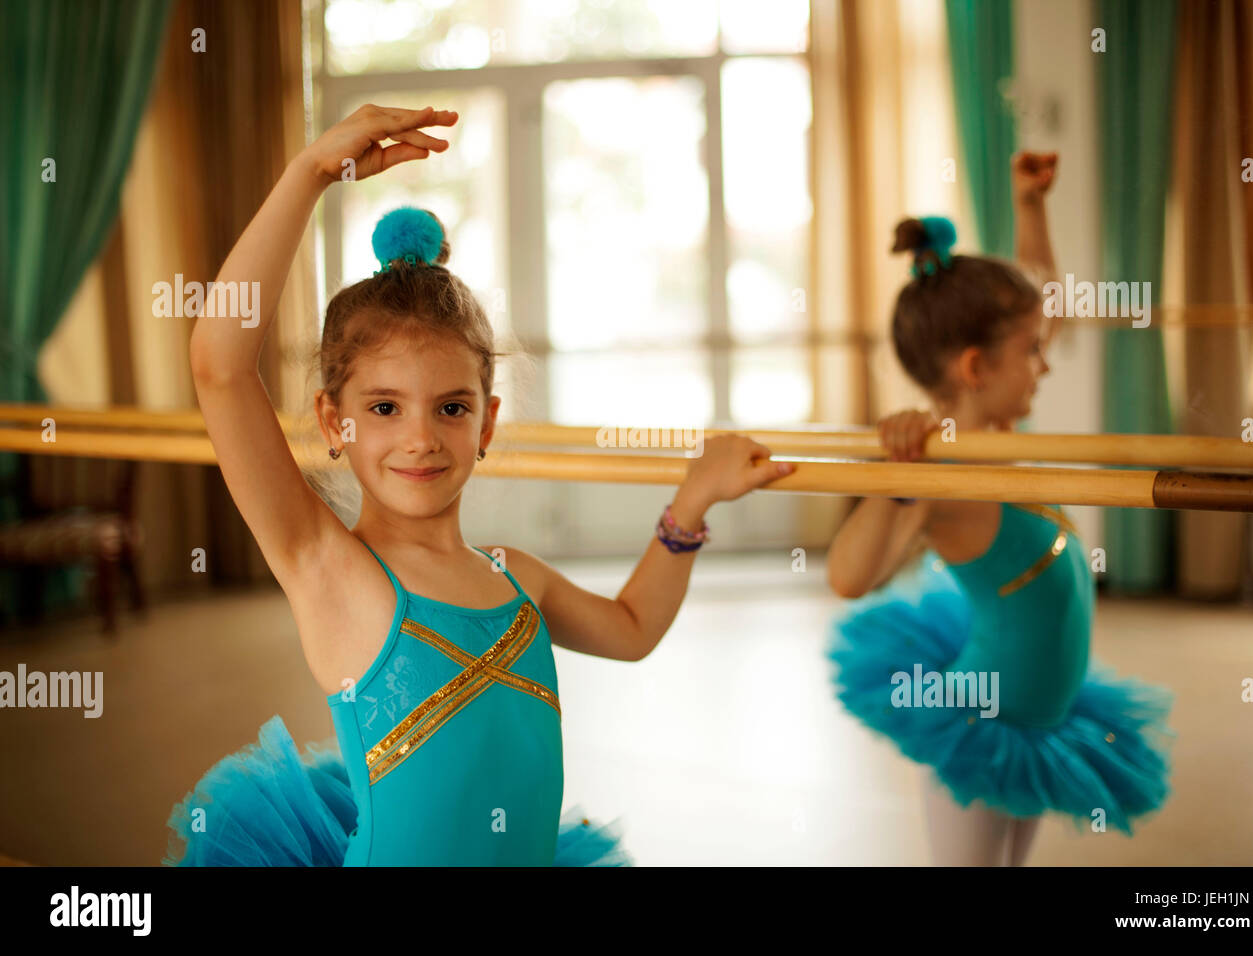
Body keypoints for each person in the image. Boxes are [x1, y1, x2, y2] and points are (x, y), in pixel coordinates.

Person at [166, 104, 795, 866]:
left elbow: (632, 630)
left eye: (451, 407)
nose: (422, 437)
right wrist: (310, 173)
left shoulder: (515, 575)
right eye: (384, 408)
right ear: (334, 422)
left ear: (487, 421)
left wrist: (690, 505)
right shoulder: (333, 572)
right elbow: (220, 368)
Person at [826, 151, 1172, 866]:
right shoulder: (944, 473)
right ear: (977, 368)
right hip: (983, 722)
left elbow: (1038, 291)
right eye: (1033, 353)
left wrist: (1030, 207)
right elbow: (848, 577)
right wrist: (896, 474)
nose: (1046, 363)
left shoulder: (1002, 435)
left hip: (1038, 718)